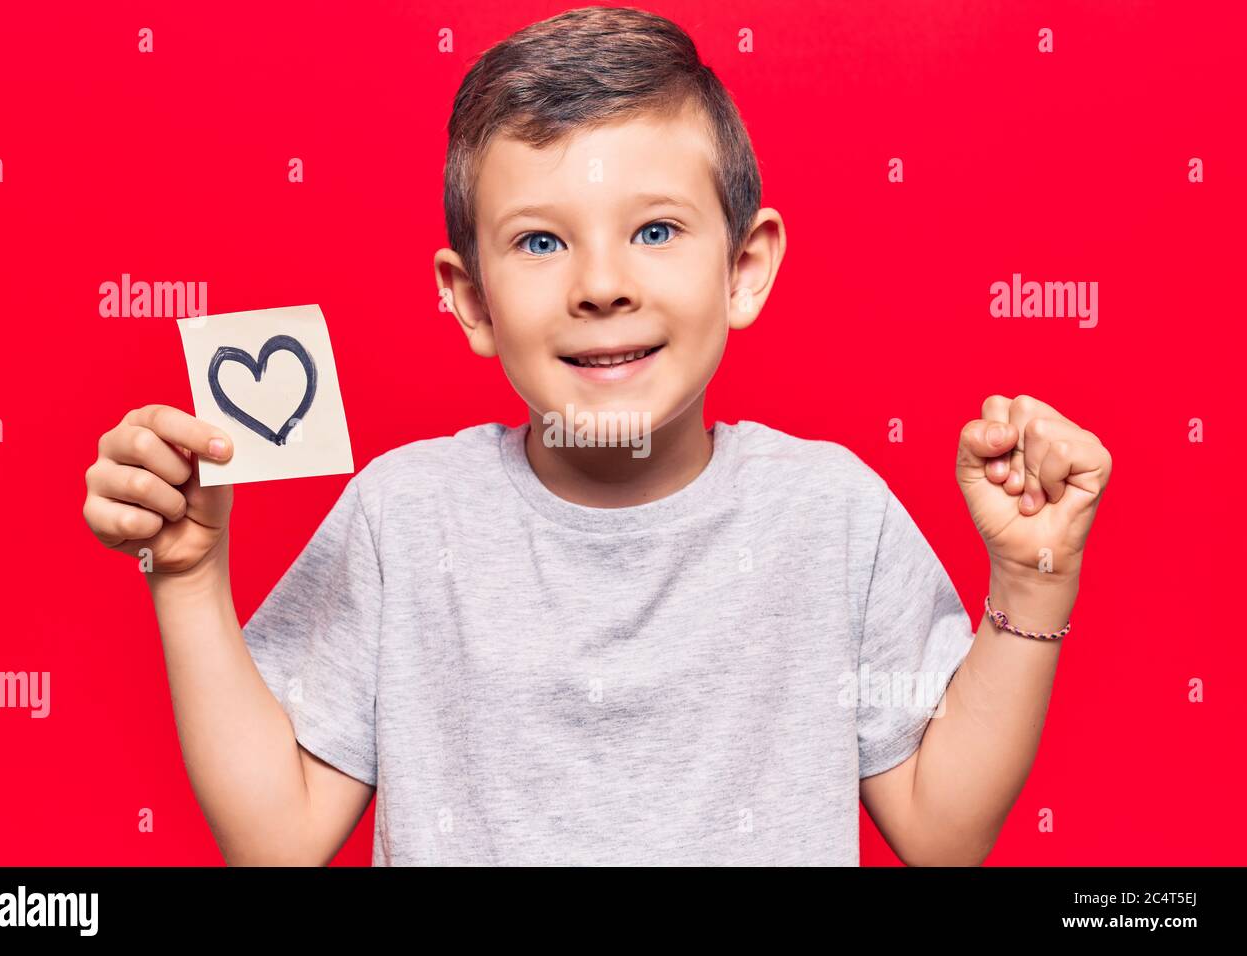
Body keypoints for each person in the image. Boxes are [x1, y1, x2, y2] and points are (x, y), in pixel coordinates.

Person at [81, 6, 1112, 865]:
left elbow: (943, 829)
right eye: (538, 241)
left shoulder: (829, 511)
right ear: (471, 299)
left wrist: (1031, 587)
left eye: (655, 230)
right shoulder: (406, 514)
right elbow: (276, 839)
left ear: (744, 266)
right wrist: (188, 574)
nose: (602, 283)